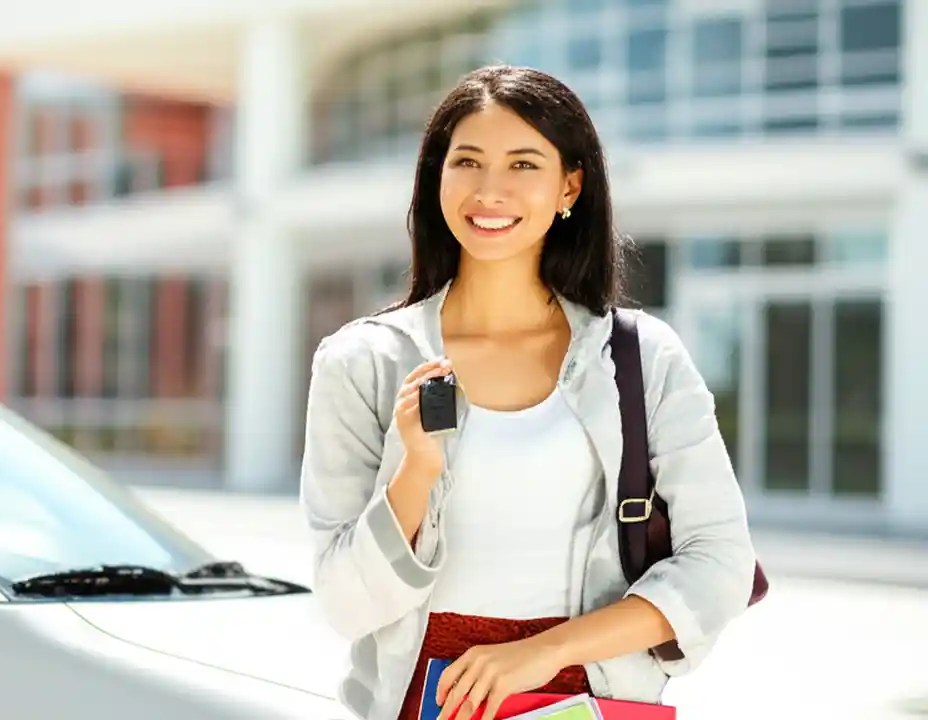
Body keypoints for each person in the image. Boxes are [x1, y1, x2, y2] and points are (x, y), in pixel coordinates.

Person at [299, 65, 757, 720]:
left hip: (588, 695)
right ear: (437, 180)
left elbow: (719, 565)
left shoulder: (642, 358)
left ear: (570, 183)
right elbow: (345, 604)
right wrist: (414, 472)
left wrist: (542, 652)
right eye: (468, 162)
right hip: (424, 696)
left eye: (522, 164)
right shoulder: (362, 362)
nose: (491, 190)